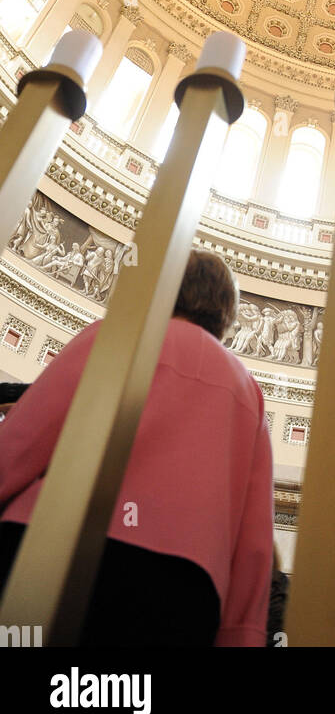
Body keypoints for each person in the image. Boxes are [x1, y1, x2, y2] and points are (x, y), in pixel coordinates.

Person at [0, 251, 274, 646]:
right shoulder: (246, 389)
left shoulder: (115, 335)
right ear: (227, 312)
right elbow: (254, 538)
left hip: (53, 544)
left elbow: (25, 438)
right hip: (176, 588)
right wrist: (241, 633)